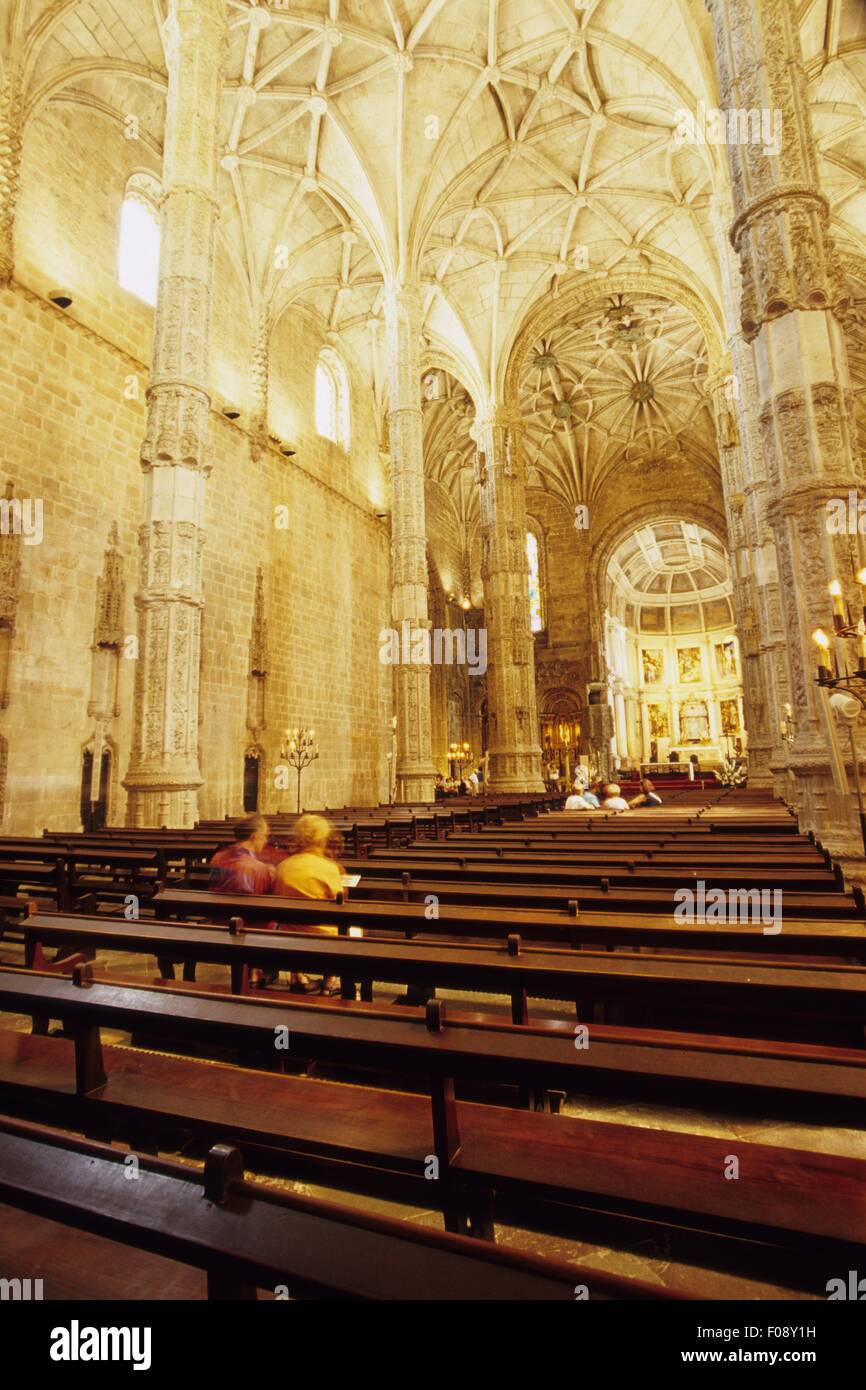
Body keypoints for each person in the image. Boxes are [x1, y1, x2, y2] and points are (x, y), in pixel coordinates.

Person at [273, 813, 345, 995]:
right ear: (322, 838)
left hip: (289, 938)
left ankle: (298, 977)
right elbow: (341, 902)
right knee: (346, 926)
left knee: (292, 922)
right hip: (324, 939)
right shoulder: (328, 867)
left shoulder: (283, 866)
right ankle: (330, 981)